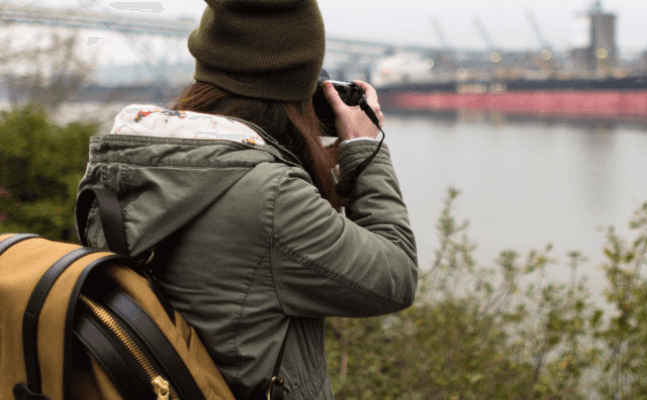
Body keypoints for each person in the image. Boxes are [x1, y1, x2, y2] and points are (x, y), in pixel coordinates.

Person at [76, 0, 418, 399]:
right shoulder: (270, 197)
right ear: (298, 91)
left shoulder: (125, 166)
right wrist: (362, 145)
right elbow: (396, 276)